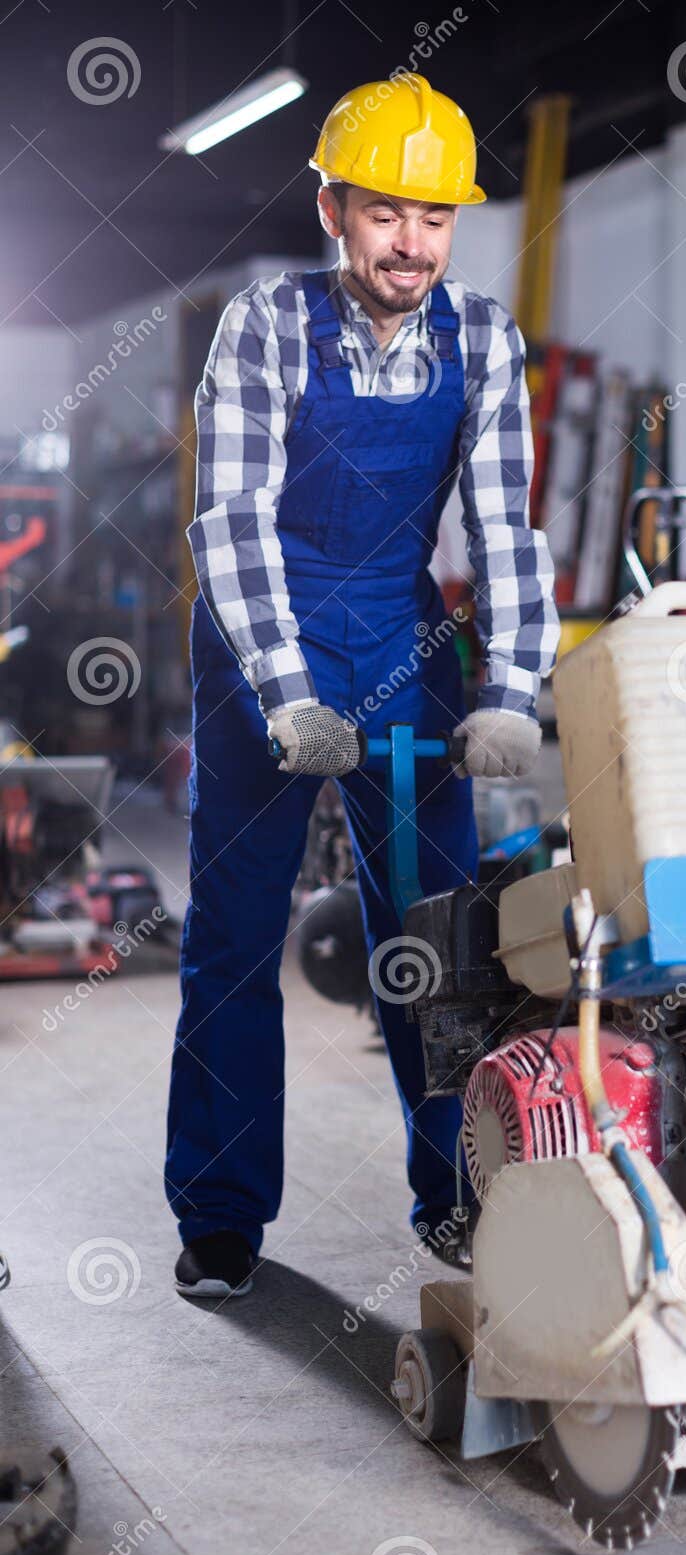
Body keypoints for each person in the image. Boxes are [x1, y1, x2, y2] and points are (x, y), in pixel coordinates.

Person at [165, 73, 558, 1297]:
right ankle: (222, 1217)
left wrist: (512, 689)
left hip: (402, 642)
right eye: (386, 213)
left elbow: (504, 527)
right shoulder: (267, 327)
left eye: (435, 219)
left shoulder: (483, 337)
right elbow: (228, 524)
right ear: (332, 207)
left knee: (434, 944)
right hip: (258, 647)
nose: (413, 243)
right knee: (234, 937)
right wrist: (285, 691)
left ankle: (456, 1194)